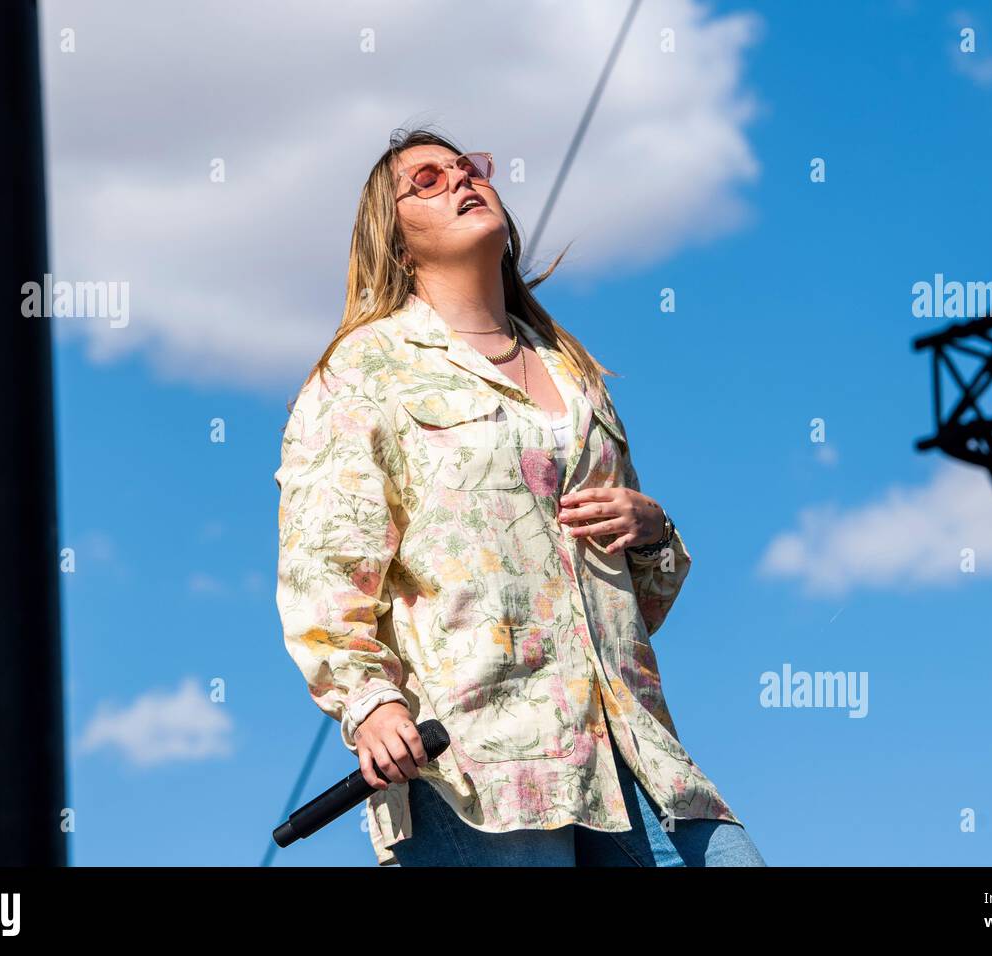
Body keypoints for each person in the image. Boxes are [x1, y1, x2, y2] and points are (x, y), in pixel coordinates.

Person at [274, 126, 766, 867]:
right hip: (477, 765)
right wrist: (368, 702)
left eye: (469, 168)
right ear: (398, 244)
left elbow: (634, 607)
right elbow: (324, 565)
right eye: (429, 181)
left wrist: (654, 531)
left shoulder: (572, 375)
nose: (463, 180)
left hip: (632, 751)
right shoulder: (363, 370)